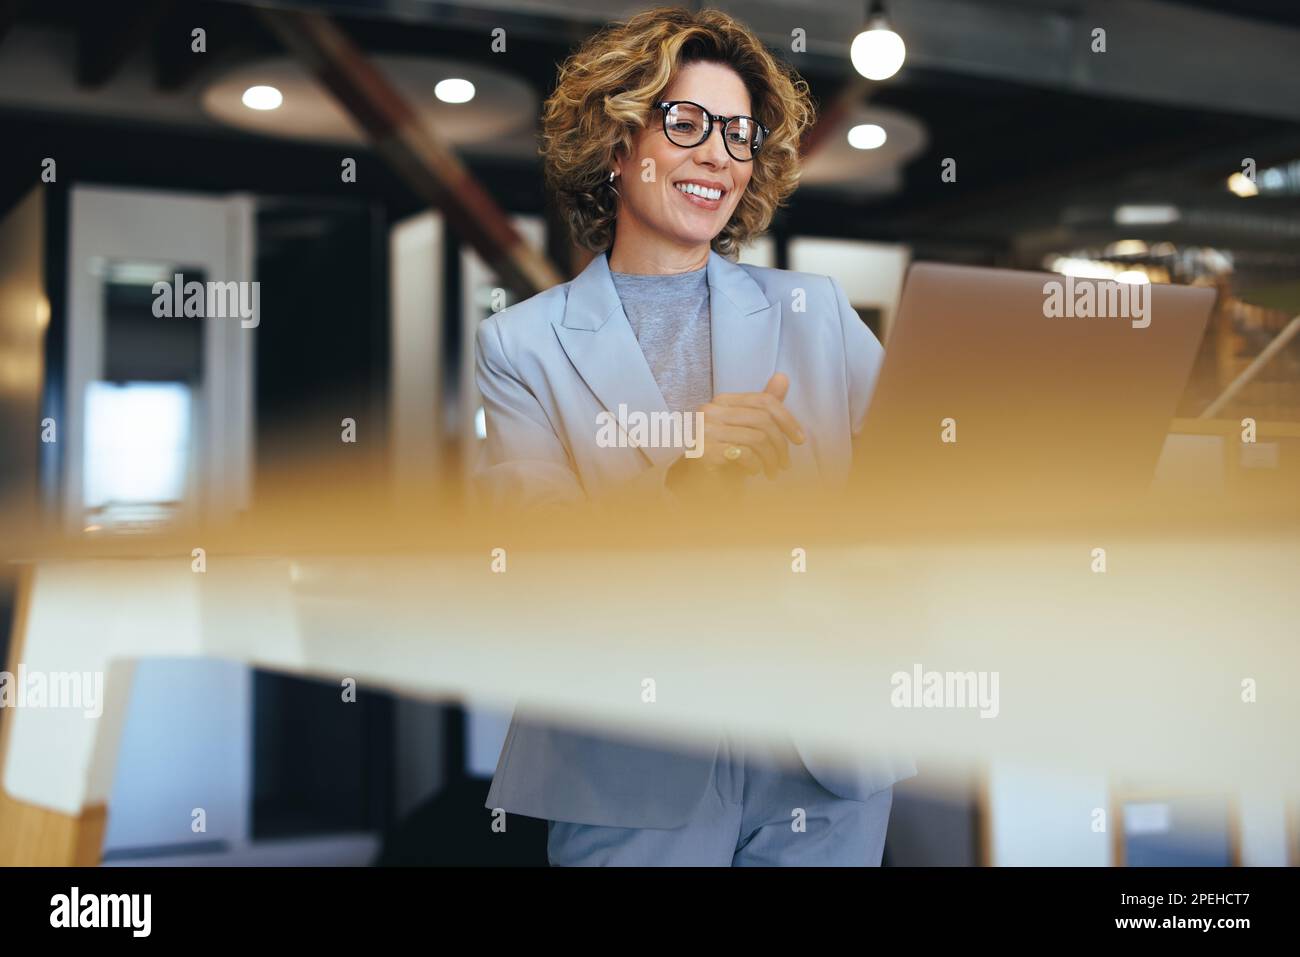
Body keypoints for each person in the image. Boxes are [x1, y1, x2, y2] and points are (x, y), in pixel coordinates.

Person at [474, 6, 914, 865]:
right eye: (687, 123)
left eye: (740, 135)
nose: (719, 153)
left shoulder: (813, 311)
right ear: (617, 143)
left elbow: (919, 475)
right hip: (632, 757)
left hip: (818, 751)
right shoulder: (521, 344)